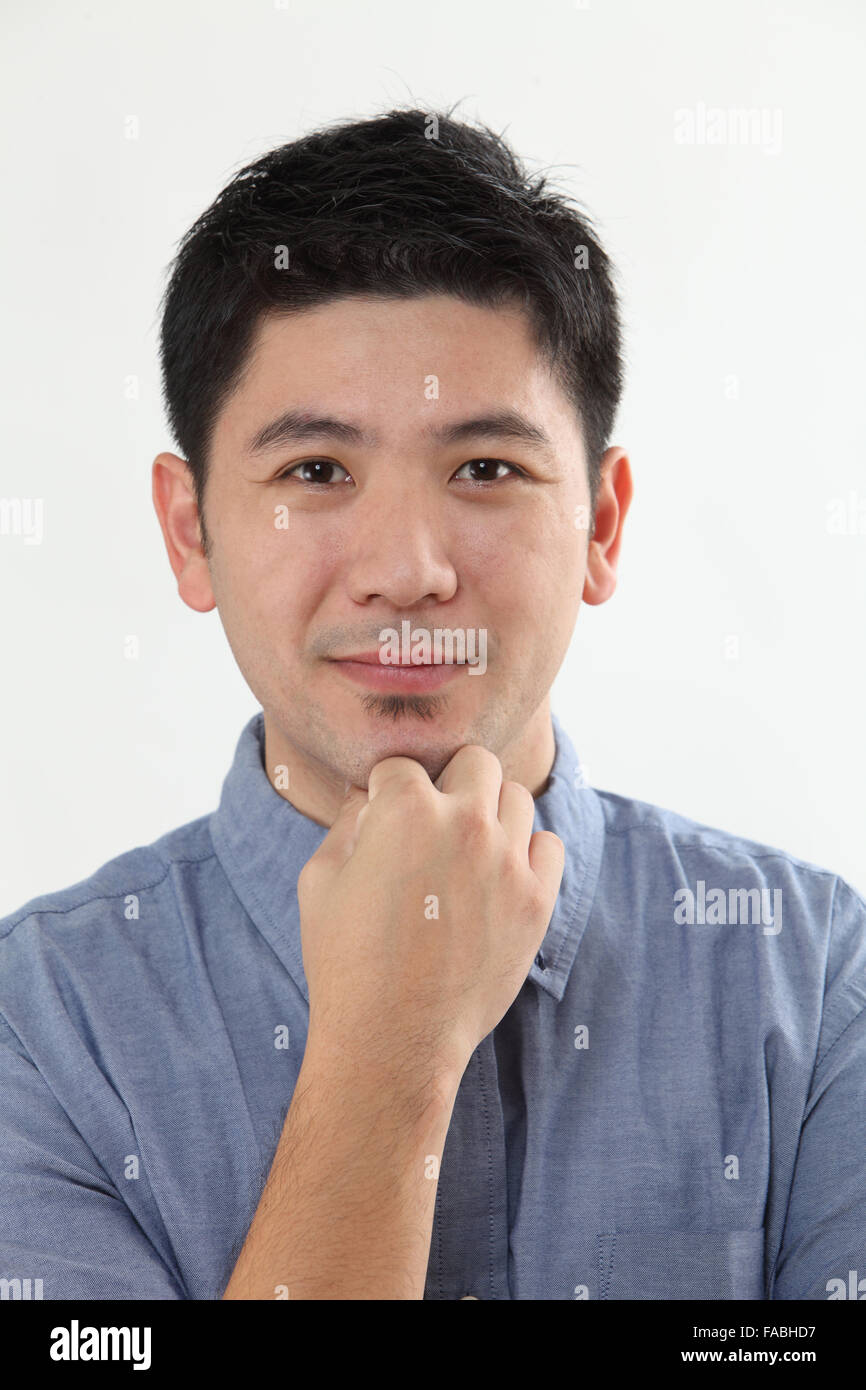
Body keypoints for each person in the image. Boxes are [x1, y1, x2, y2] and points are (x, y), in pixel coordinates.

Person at [1, 107, 864, 1302]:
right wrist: (389, 1051)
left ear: (600, 526)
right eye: (315, 471)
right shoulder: (37, 1029)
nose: (406, 567)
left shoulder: (816, 983)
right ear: (188, 529)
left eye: (485, 469)